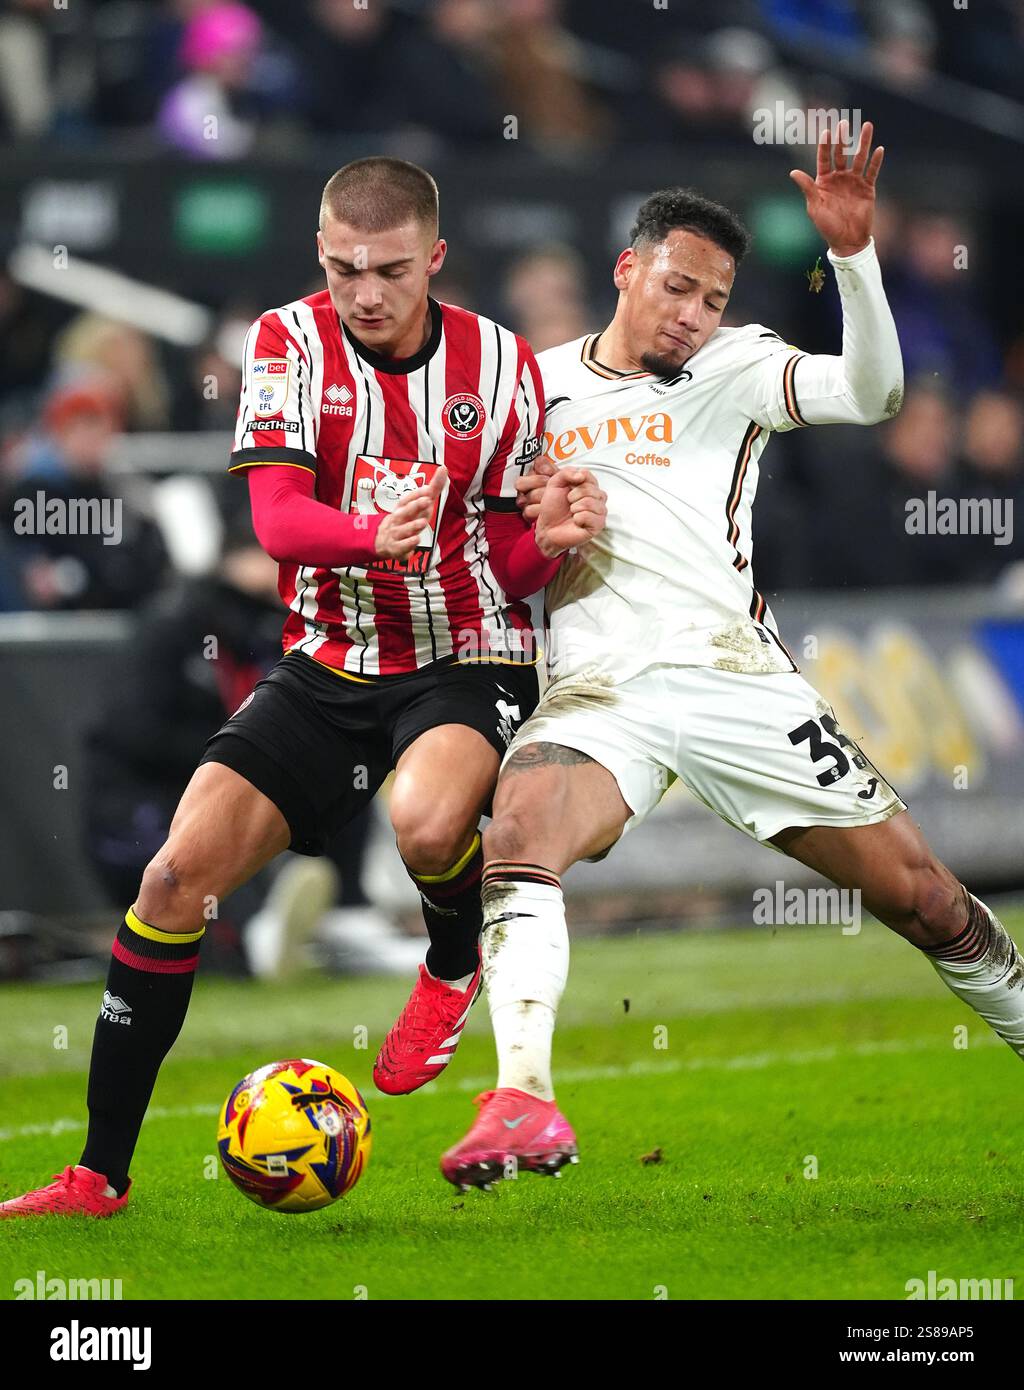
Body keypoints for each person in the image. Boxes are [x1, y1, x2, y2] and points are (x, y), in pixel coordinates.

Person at [0, 155, 605, 1218]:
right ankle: (97, 1176)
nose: (363, 292)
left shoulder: (502, 366)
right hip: (328, 660)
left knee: (425, 825)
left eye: (389, 270)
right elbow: (278, 523)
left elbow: (507, 553)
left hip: (468, 652)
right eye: (342, 268)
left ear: (436, 260)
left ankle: (452, 960)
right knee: (171, 882)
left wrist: (548, 546)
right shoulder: (286, 341)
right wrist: (379, 532)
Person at [439, 122, 1024, 1190]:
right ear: (627, 269)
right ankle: (522, 1098)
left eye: (710, 298)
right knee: (516, 835)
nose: (692, 314)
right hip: (598, 688)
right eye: (676, 287)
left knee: (927, 901)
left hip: (733, 678)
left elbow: (873, 396)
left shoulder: (738, 366)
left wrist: (852, 259)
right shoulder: (532, 387)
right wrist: (532, 531)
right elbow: (487, 546)